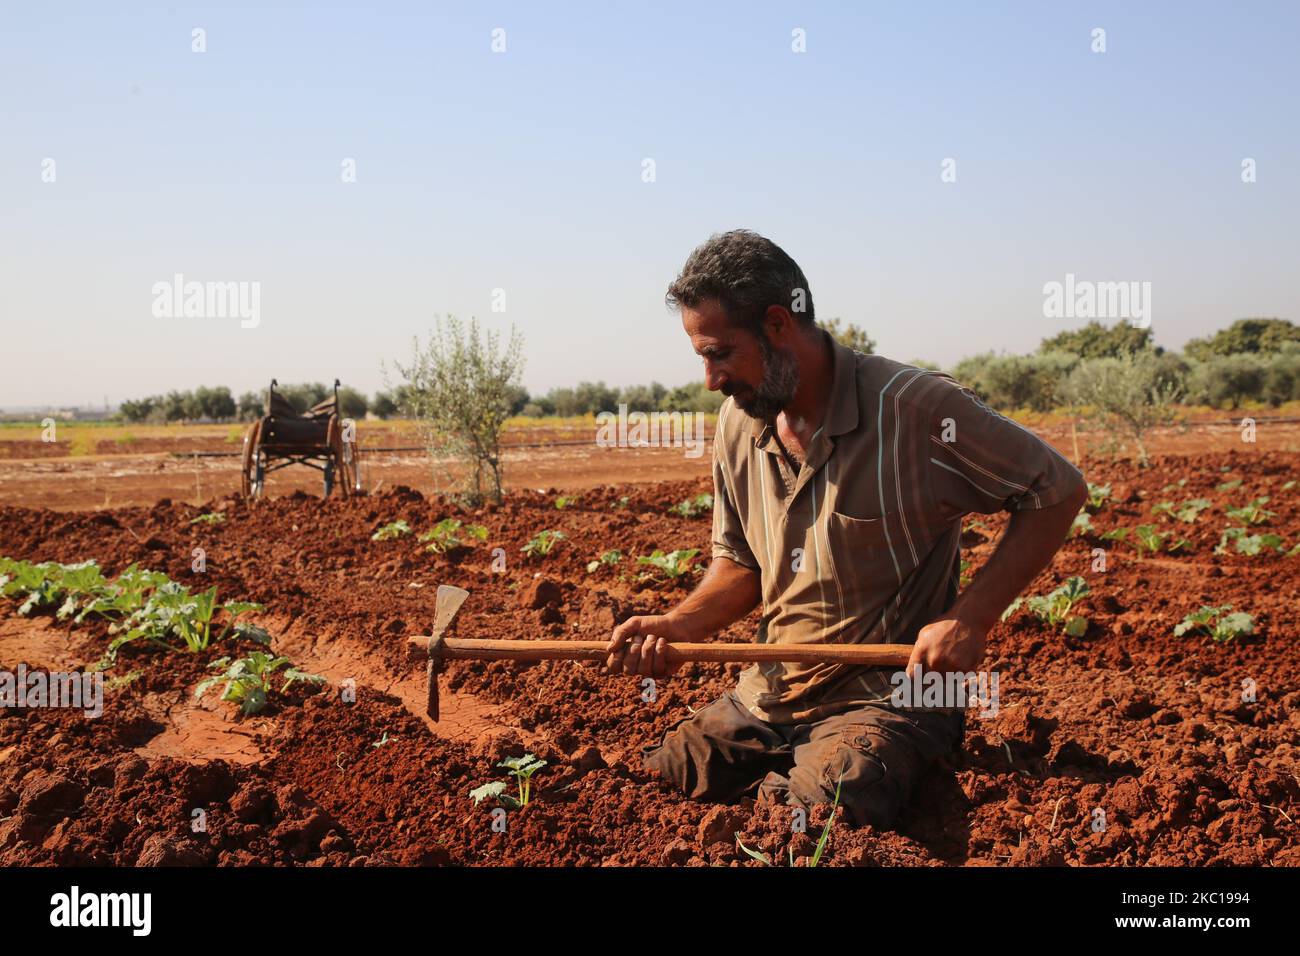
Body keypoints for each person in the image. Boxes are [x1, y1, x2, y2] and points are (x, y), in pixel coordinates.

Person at [604, 229, 1088, 829]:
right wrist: (679, 624)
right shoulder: (739, 422)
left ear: (778, 324)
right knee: (656, 789)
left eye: (720, 353)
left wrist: (970, 619)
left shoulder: (916, 411)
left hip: (889, 698)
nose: (709, 378)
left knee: (807, 825)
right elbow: (741, 566)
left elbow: (1056, 490)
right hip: (769, 694)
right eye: (701, 356)